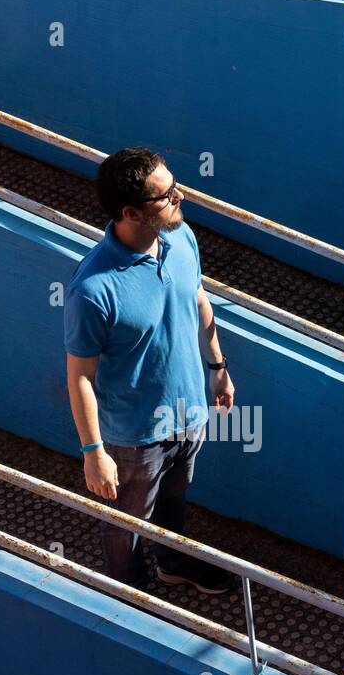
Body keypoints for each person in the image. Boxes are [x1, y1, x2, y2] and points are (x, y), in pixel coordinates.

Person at [64, 147, 234, 594]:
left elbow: (197, 299)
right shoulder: (93, 289)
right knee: (127, 523)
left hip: (189, 413)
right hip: (134, 437)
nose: (181, 197)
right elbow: (80, 376)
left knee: (174, 502)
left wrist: (217, 367)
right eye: (167, 194)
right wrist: (93, 451)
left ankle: (171, 562)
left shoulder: (182, 239)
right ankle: (128, 592)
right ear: (130, 212)